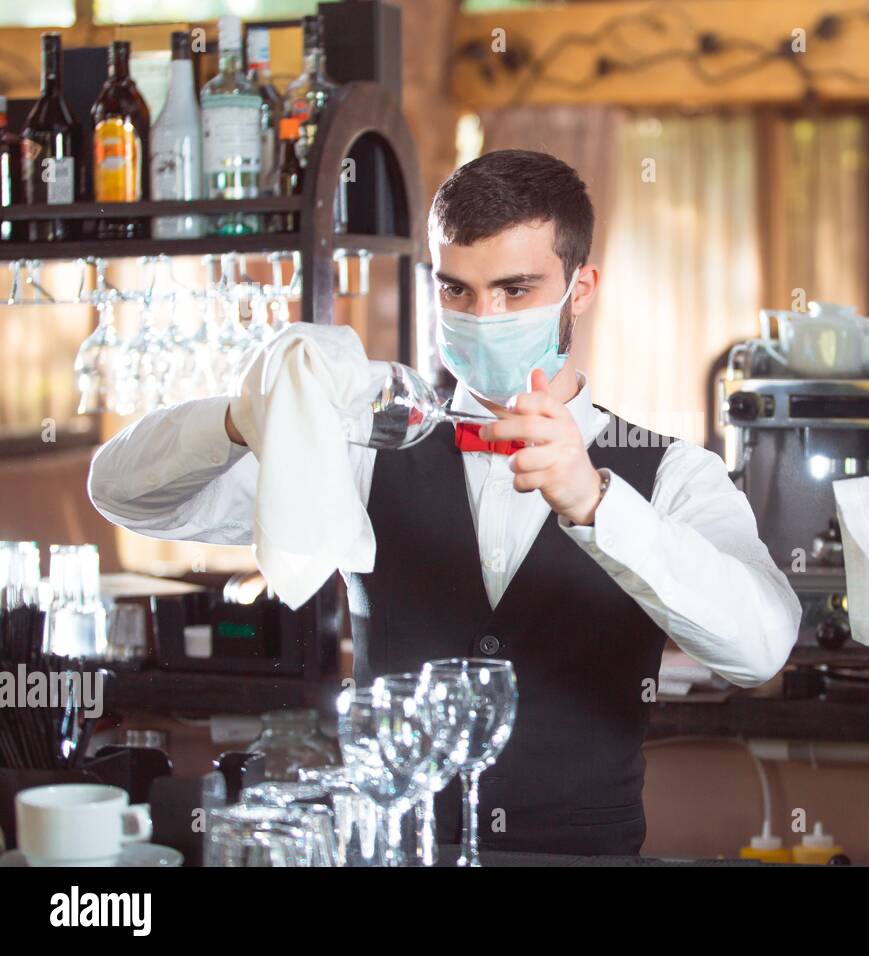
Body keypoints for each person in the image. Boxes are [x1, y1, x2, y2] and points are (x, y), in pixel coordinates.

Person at [89, 148, 801, 856]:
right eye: (456, 291)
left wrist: (595, 503)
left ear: (580, 288)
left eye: (515, 290)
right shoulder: (364, 449)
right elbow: (123, 494)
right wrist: (244, 415)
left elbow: (760, 649)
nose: (483, 315)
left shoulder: (673, 472)